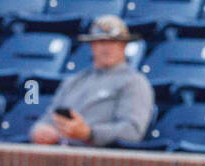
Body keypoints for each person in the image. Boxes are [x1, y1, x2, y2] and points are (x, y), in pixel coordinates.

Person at [30, 15, 154, 147]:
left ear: (123, 46)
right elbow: (49, 118)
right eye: (101, 42)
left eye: (113, 42)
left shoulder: (134, 82)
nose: (107, 47)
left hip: (103, 160)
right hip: (63, 154)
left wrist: (89, 133)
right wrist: (40, 130)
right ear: (92, 46)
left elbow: (132, 131)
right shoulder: (74, 81)